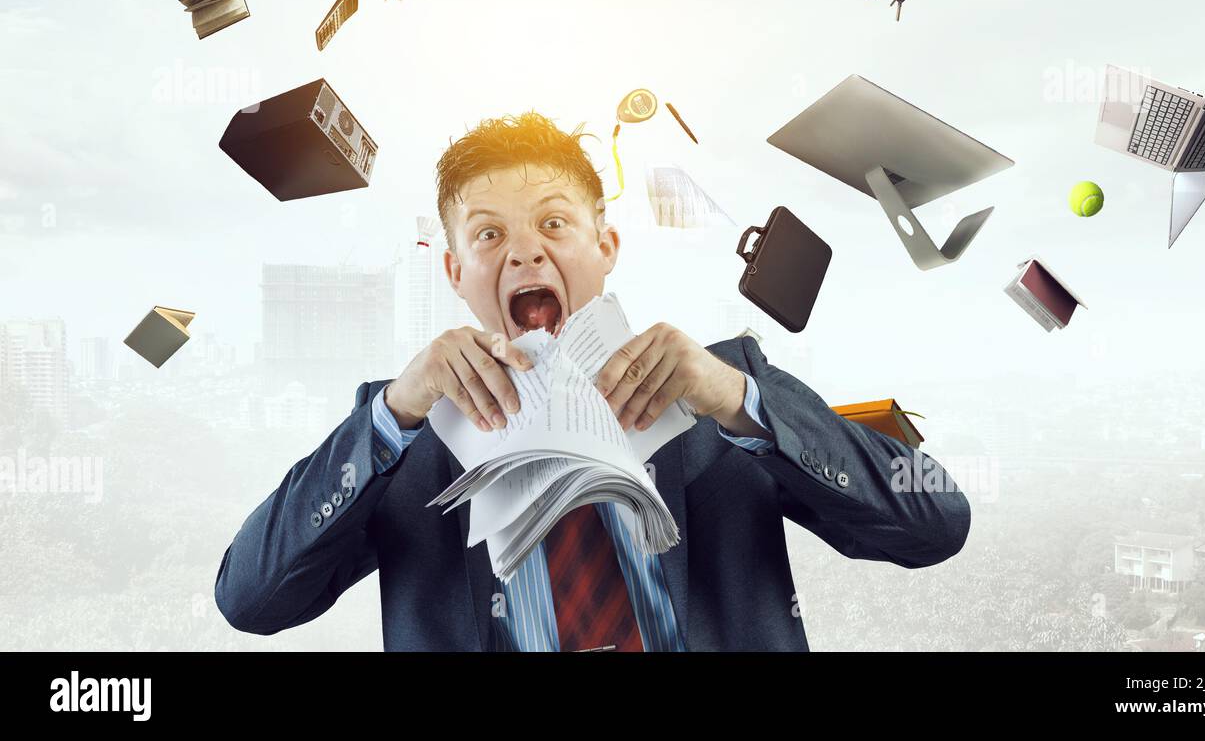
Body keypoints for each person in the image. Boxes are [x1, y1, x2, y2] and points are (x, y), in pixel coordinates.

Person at [214, 112, 971, 650]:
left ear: (606, 246)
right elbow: (249, 600)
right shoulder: (404, 438)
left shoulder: (722, 386)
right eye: (487, 235)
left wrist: (742, 405)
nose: (524, 255)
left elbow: (935, 523)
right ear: (453, 272)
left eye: (553, 224)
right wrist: (390, 416)